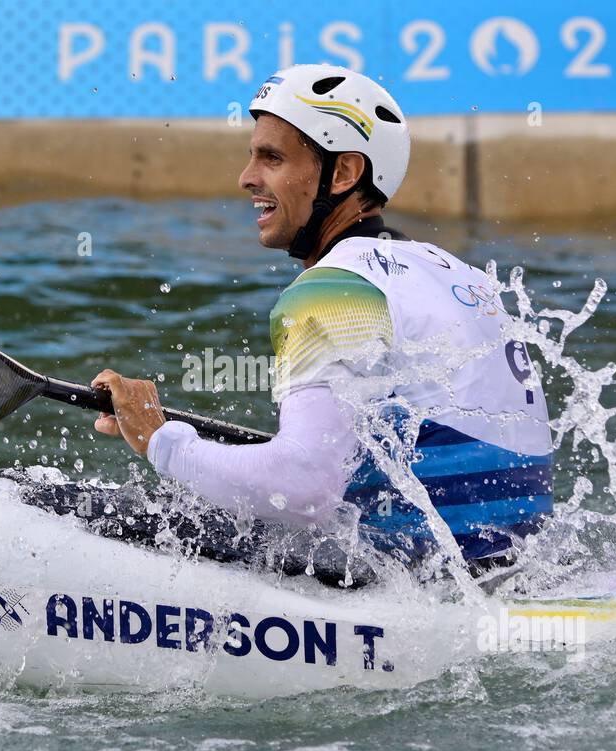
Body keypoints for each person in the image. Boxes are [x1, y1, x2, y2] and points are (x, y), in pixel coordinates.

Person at [91, 65, 553, 570]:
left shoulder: (329, 292)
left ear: (345, 173)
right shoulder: (459, 275)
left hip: (425, 595)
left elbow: (305, 485)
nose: (247, 178)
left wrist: (159, 440)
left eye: (272, 157)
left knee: (89, 512)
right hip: (517, 572)